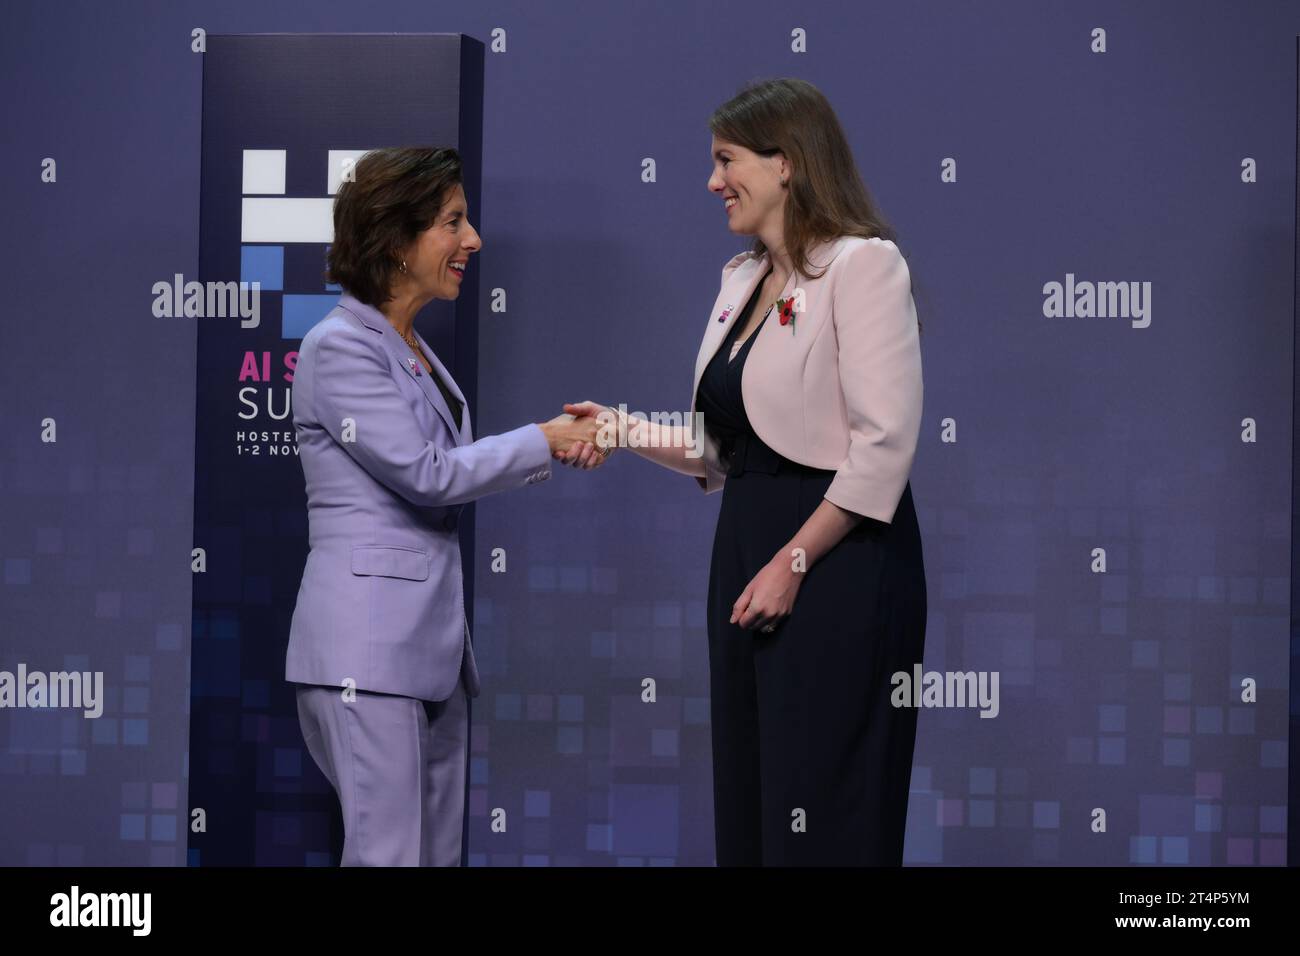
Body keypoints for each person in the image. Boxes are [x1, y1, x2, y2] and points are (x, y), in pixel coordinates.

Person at [560, 78, 927, 865]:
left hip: (838, 562)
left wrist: (794, 561)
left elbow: (884, 446)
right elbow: (726, 446)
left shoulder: (864, 266)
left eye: (726, 160)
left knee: (826, 799)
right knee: (755, 791)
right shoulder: (742, 279)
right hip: (747, 549)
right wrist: (618, 429)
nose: (712, 181)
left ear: (786, 162)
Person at [286, 146, 608, 866]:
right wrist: (546, 440)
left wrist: (552, 445)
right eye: (453, 222)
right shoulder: (338, 348)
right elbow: (429, 476)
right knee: (389, 858)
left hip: (428, 656)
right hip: (365, 657)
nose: (474, 240)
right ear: (397, 239)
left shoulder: (411, 349)